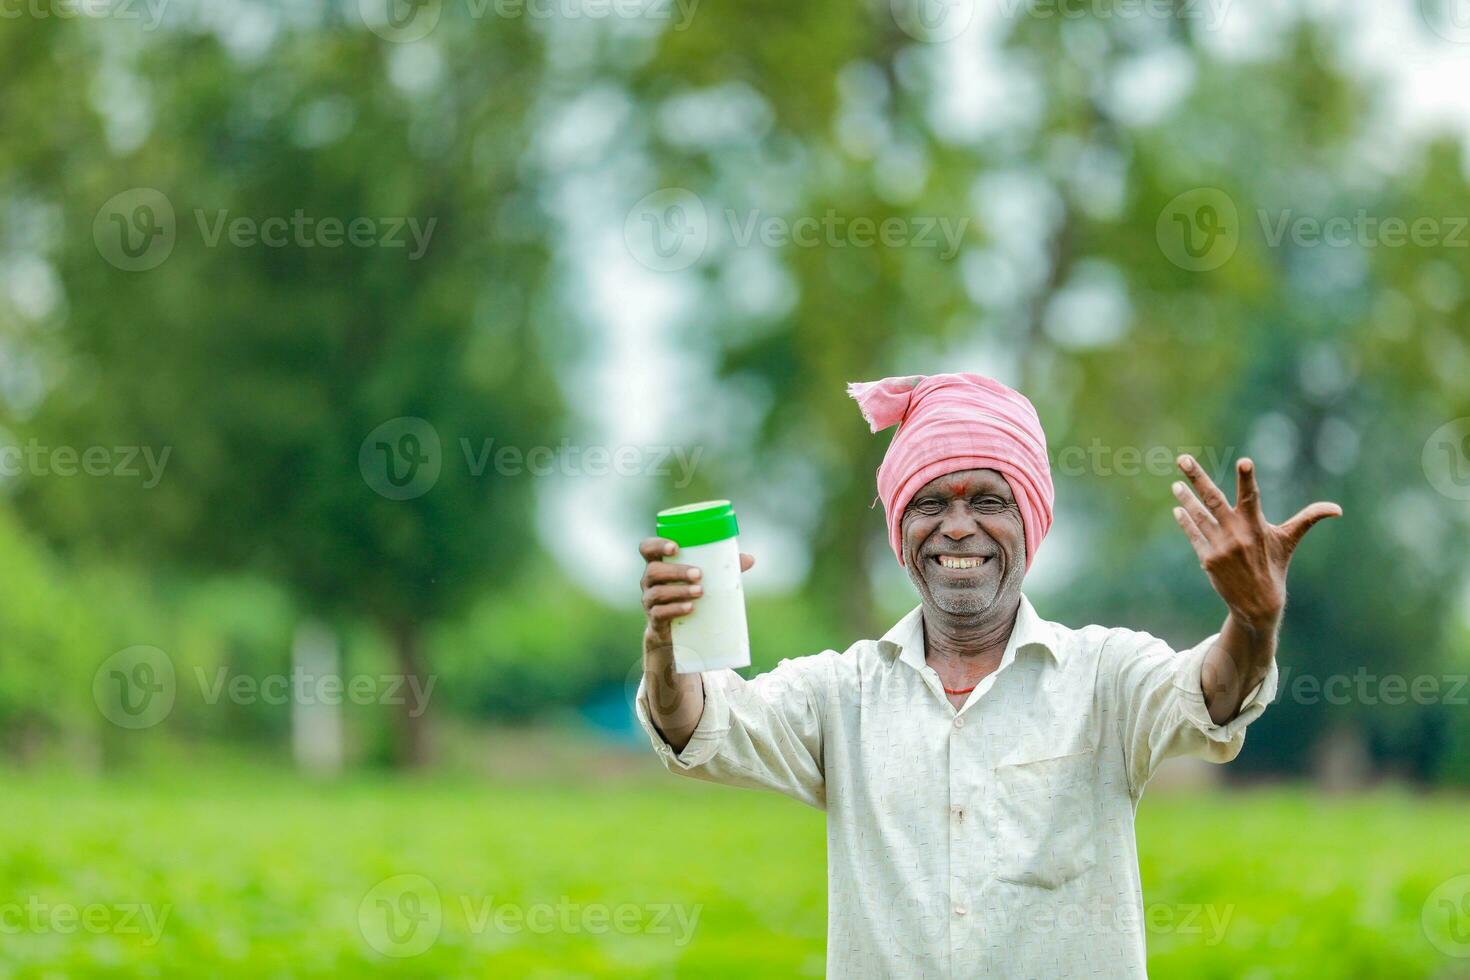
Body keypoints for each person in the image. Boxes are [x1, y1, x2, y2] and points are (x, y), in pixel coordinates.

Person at [635, 372, 1341, 978]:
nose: (958, 527)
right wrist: (668, 647)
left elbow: (1210, 696)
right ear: (901, 532)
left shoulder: (1105, 676)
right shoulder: (840, 694)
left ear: (1029, 524)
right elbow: (699, 727)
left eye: (988, 501)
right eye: (931, 503)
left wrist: (1253, 621)